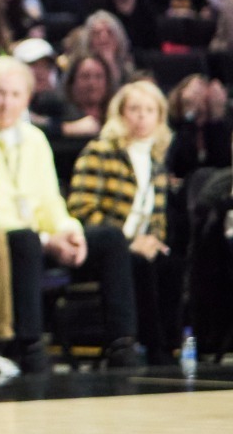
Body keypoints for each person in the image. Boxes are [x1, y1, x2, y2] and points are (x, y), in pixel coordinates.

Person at [0, 55, 139, 372]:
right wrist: (46, 239)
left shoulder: (35, 138)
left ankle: (121, 344)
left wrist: (69, 231)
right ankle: (30, 348)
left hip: (40, 236)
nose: (6, 103)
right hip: (1, 237)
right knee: (26, 241)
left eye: (15, 95)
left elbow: (50, 199)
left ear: (27, 99)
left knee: (110, 238)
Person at [66, 79, 174, 364]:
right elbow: (81, 208)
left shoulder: (156, 161)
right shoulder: (100, 151)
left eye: (149, 110)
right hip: (99, 245)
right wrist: (129, 241)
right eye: (135, 109)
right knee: (123, 251)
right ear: (121, 113)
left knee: (168, 260)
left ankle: (165, 348)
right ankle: (123, 344)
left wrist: (152, 239)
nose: (141, 116)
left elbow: (158, 217)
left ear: (159, 117)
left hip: (135, 248)